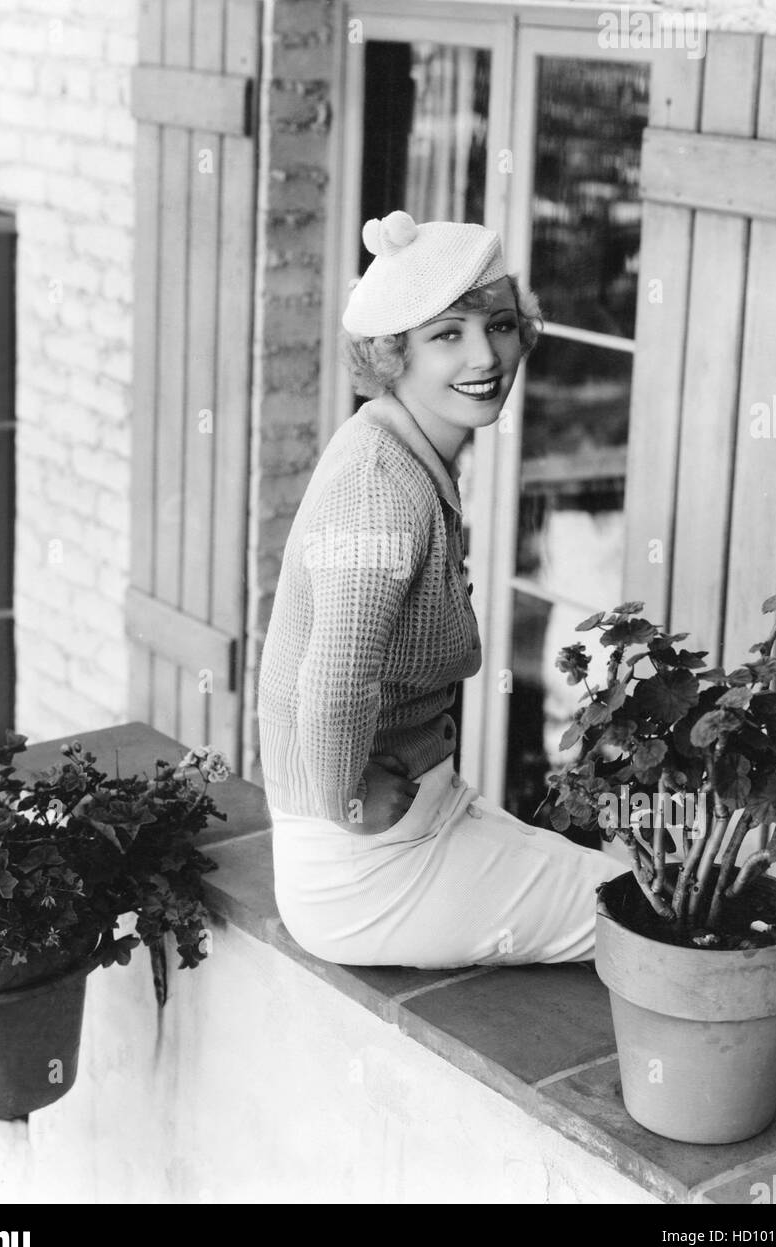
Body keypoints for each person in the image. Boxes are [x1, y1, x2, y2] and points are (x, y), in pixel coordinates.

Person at [256, 209, 609, 969]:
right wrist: (347, 800)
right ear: (392, 357)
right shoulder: (381, 485)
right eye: (446, 334)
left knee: (631, 890)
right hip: (366, 871)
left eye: (501, 325)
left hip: (425, 819)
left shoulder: (403, 448)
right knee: (649, 915)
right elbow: (334, 680)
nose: (486, 355)